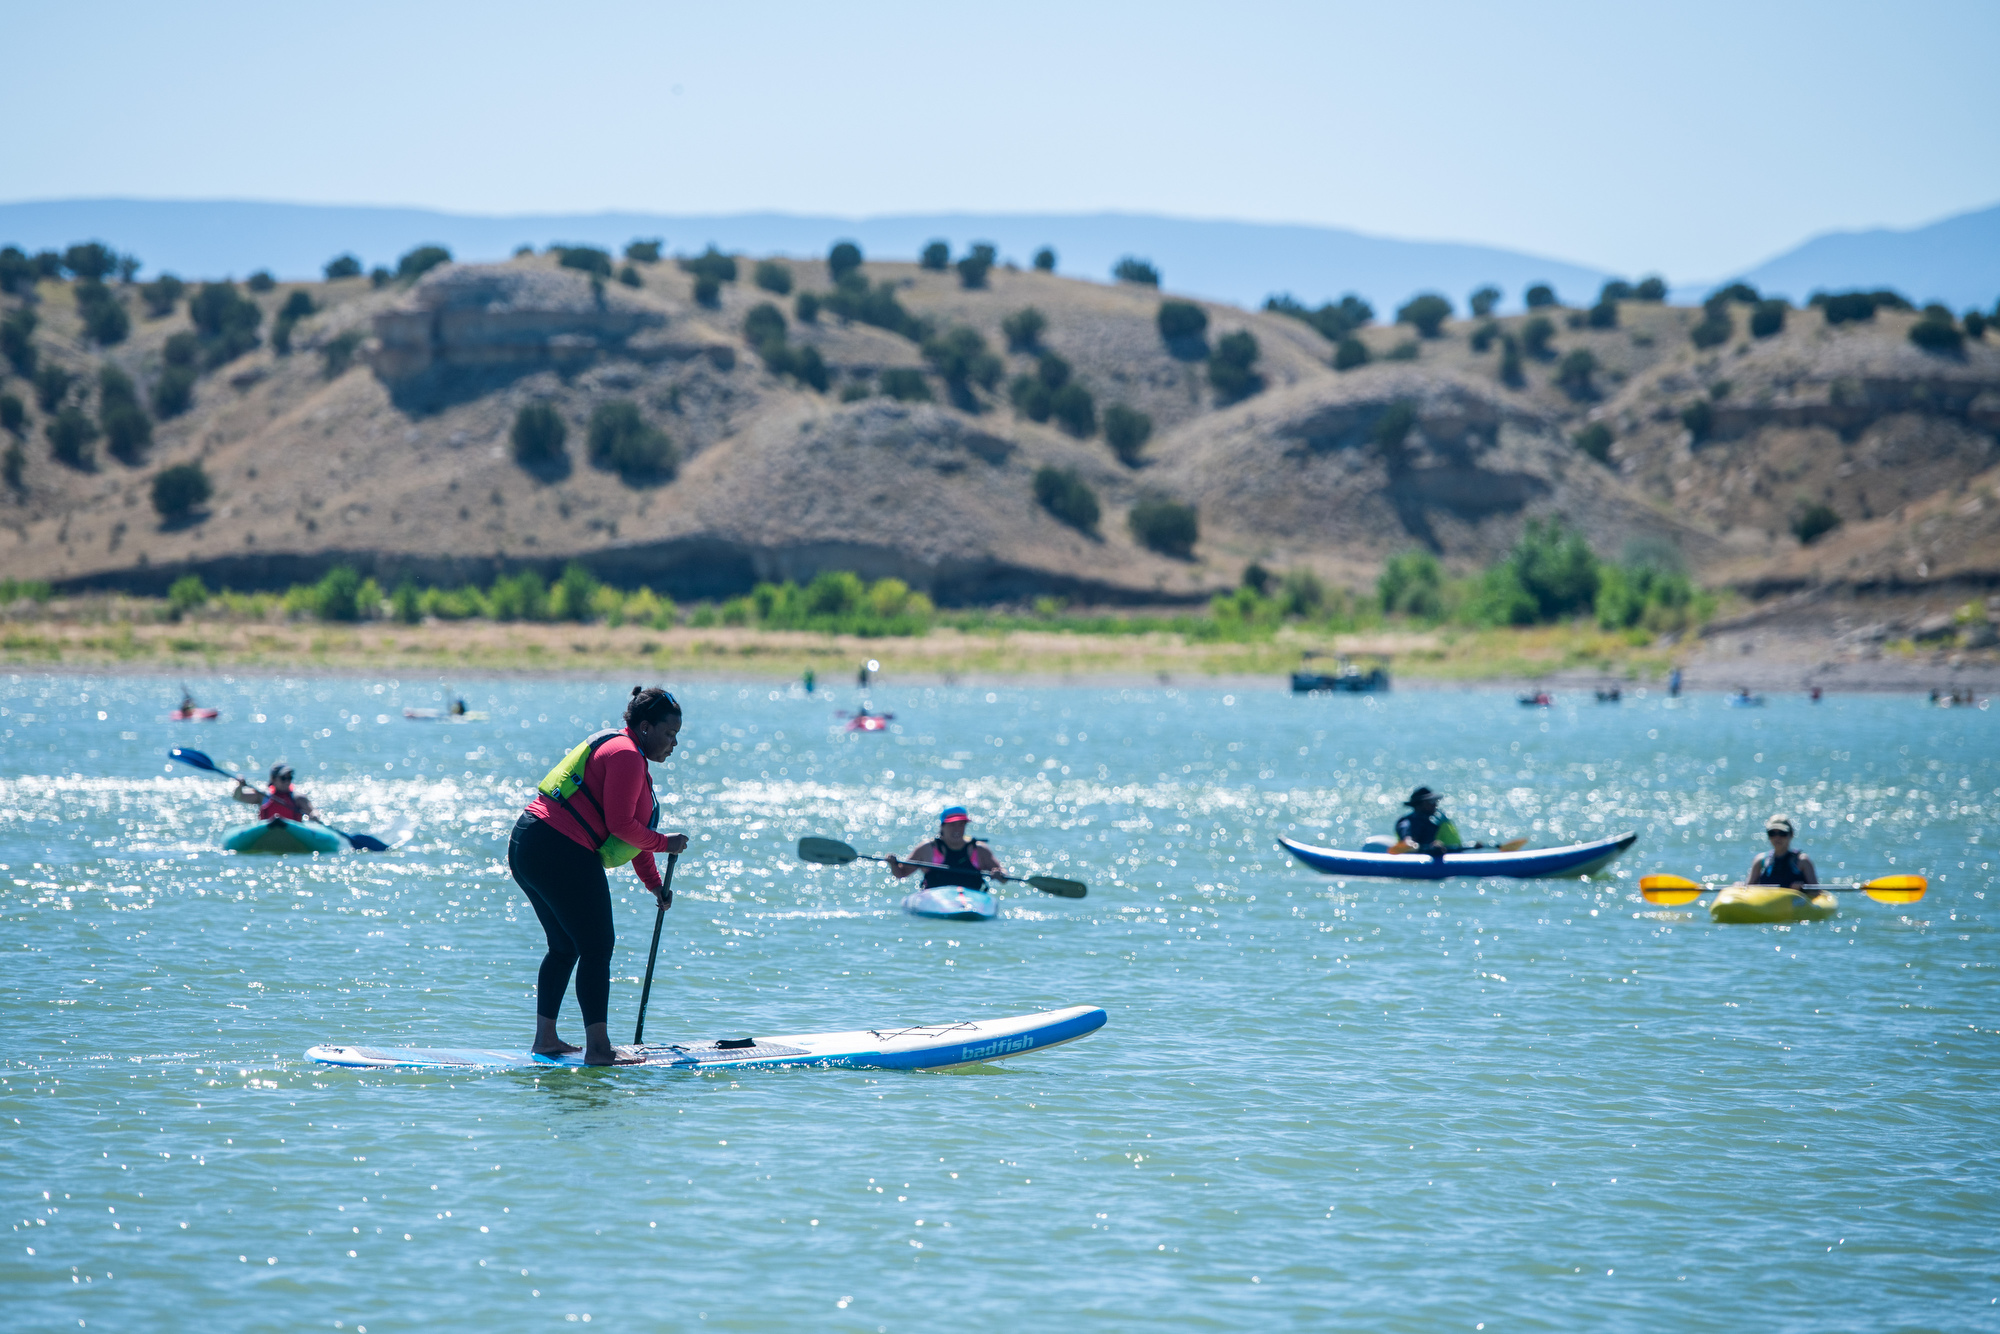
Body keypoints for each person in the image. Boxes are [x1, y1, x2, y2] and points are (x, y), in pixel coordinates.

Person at [508, 686, 690, 1065]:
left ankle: (546, 1040)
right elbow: (622, 825)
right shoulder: (625, 755)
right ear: (644, 727)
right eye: (670, 734)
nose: (674, 744)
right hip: (558, 847)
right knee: (596, 946)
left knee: (565, 946)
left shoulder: (626, 750)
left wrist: (655, 884)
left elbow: (631, 833)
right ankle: (599, 1049)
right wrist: (665, 843)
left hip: (530, 843)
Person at [887, 804, 1008, 890]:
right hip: (935, 900)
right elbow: (901, 873)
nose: (957, 829)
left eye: (961, 825)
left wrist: (1000, 874)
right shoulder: (927, 848)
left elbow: (1004, 876)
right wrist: (893, 864)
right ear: (942, 826)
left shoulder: (980, 849)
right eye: (952, 825)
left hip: (971, 901)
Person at [1747, 815, 1817, 890]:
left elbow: (1816, 892)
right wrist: (1739, 887)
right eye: (1772, 833)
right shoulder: (1760, 861)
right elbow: (1747, 889)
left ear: (1791, 834)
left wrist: (1803, 888)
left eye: (1782, 833)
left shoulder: (1802, 861)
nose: (1777, 838)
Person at [234, 762, 313, 822]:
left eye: (289, 777)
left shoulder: (298, 798)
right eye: (283, 778)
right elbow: (237, 796)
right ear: (273, 780)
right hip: (267, 833)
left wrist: (314, 815)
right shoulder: (263, 796)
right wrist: (240, 786)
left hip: (292, 834)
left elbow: (313, 811)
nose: (287, 781)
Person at [1394, 787, 1463, 854]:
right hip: (1417, 861)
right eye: (1431, 801)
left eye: (1435, 801)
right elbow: (1407, 842)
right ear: (1420, 804)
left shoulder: (1431, 822)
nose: (1435, 804)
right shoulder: (1407, 822)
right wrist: (1426, 847)